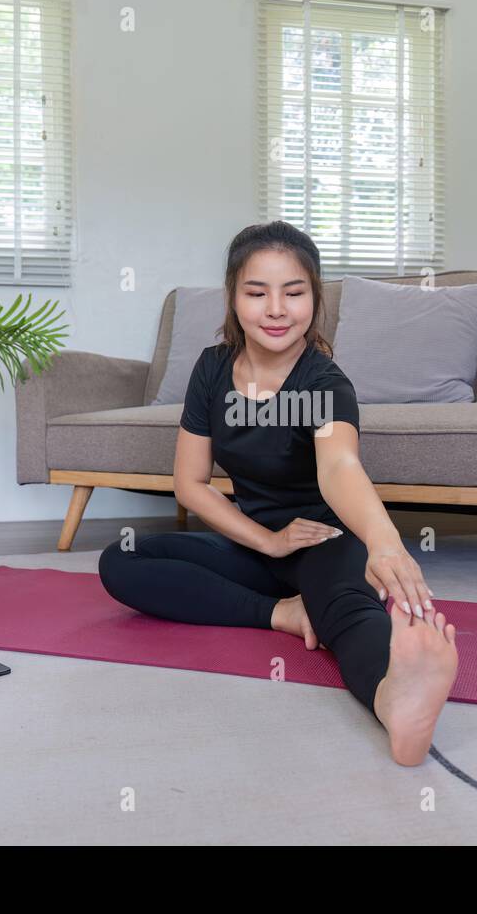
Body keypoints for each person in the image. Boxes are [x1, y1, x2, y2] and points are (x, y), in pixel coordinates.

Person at [99, 220, 457, 765]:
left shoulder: (324, 383)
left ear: (314, 298)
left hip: (324, 539)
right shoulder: (212, 368)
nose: (276, 309)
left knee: (346, 611)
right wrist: (267, 542)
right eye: (256, 292)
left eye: (294, 293)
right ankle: (282, 613)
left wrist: (383, 541)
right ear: (232, 297)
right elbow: (189, 485)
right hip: (256, 541)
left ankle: (394, 699)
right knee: (120, 561)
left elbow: (340, 465)